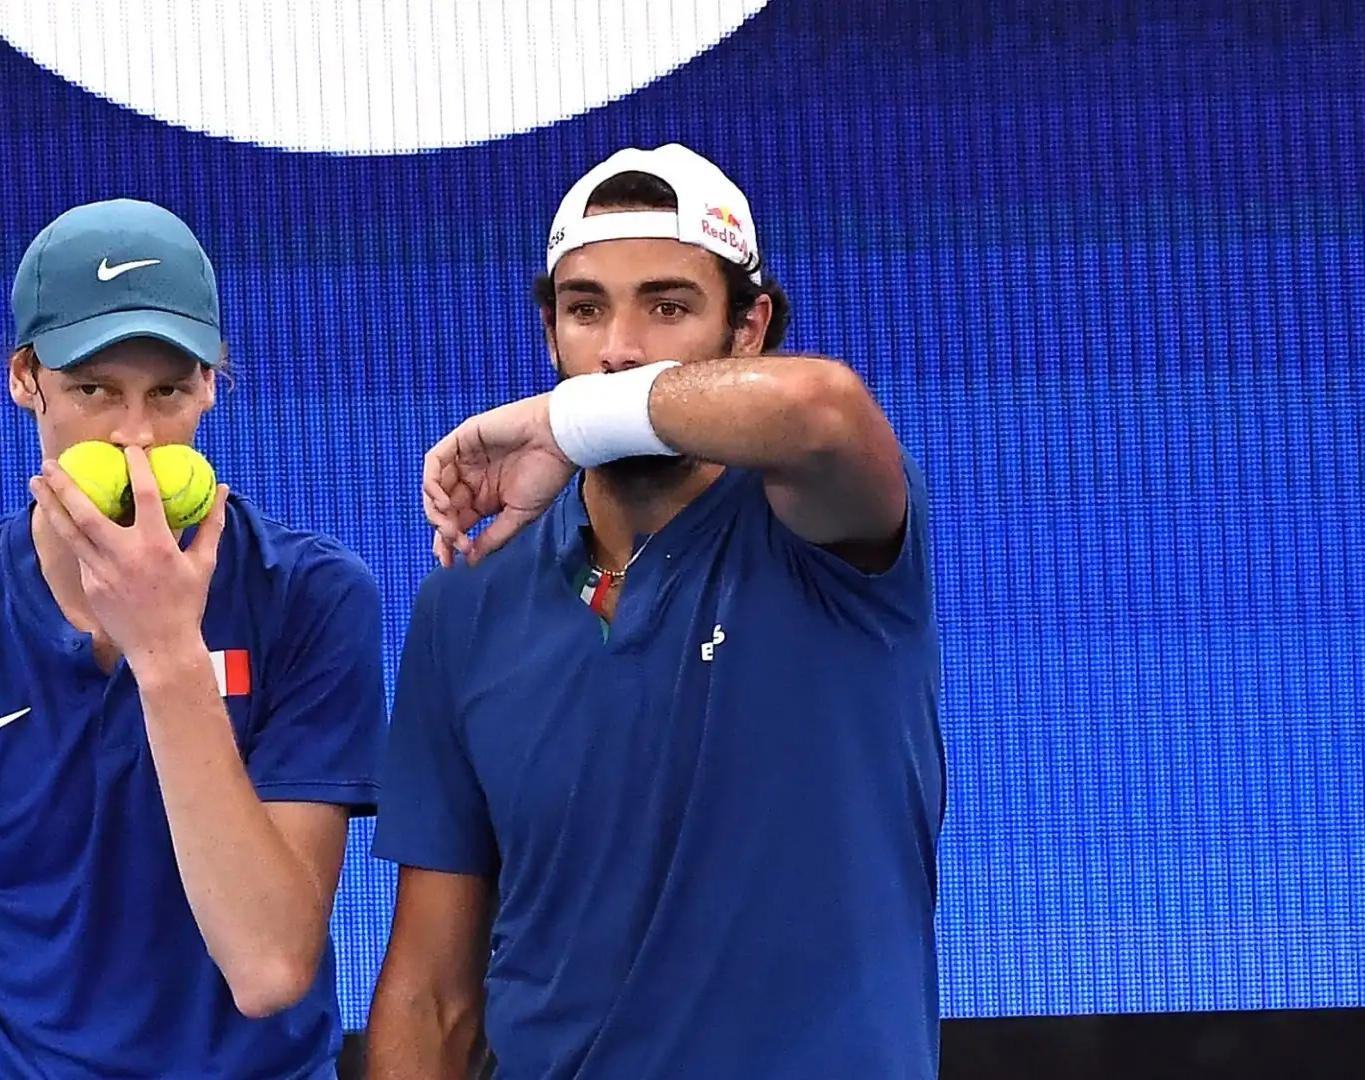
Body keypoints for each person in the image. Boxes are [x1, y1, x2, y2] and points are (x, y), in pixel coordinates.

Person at [366, 144, 945, 1079]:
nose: (619, 347)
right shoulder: (465, 602)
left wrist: (569, 420)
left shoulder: (827, 533)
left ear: (750, 327)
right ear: (550, 331)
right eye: (584, 308)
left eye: (668, 306)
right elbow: (434, 996)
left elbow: (823, 408)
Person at [0, 198, 385, 1079]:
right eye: (93, 391)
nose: (136, 438)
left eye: (168, 391)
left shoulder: (312, 598)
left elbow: (268, 967)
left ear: (212, 386)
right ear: (24, 380)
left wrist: (165, 656)